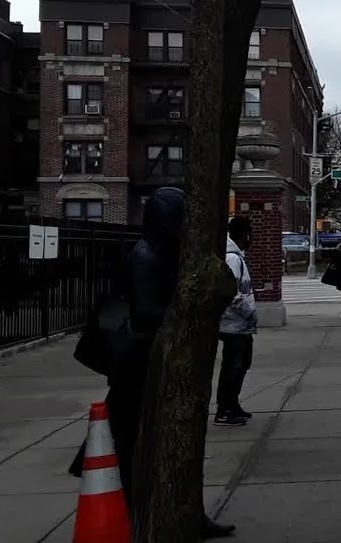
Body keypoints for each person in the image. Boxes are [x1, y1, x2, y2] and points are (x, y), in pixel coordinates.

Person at [73, 187, 236, 538]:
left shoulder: (163, 254)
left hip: (155, 360)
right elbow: (147, 314)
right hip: (139, 364)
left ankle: (184, 511)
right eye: (178, 219)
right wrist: (191, 312)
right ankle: (131, 511)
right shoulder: (146, 257)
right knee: (129, 439)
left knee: (159, 440)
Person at [215, 216, 257, 426]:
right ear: (243, 234)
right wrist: (249, 312)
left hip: (240, 325)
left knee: (240, 366)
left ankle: (233, 405)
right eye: (250, 233)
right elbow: (231, 293)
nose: (252, 238)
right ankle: (224, 409)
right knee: (233, 367)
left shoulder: (237, 256)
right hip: (234, 325)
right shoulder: (232, 258)